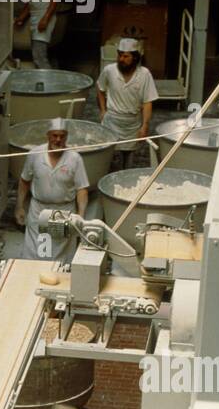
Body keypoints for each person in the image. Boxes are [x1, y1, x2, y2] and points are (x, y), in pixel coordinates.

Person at [16, 120, 89, 264]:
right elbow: (24, 181)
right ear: (48, 136)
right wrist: (19, 206)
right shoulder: (35, 155)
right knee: (38, 251)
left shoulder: (74, 159)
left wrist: (80, 216)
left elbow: (82, 189)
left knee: (60, 253)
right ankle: (34, 277)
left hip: (64, 212)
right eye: (55, 135)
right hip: (39, 210)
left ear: (66, 137)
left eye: (62, 136)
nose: (58, 140)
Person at [97, 37, 157, 170]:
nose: (121, 59)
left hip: (132, 123)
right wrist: (102, 110)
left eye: (125, 56)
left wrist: (145, 126)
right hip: (112, 121)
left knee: (129, 156)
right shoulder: (109, 70)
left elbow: (147, 101)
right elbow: (100, 88)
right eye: (119, 55)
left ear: (135, 58)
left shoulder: (144, 75)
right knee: (109, 156)